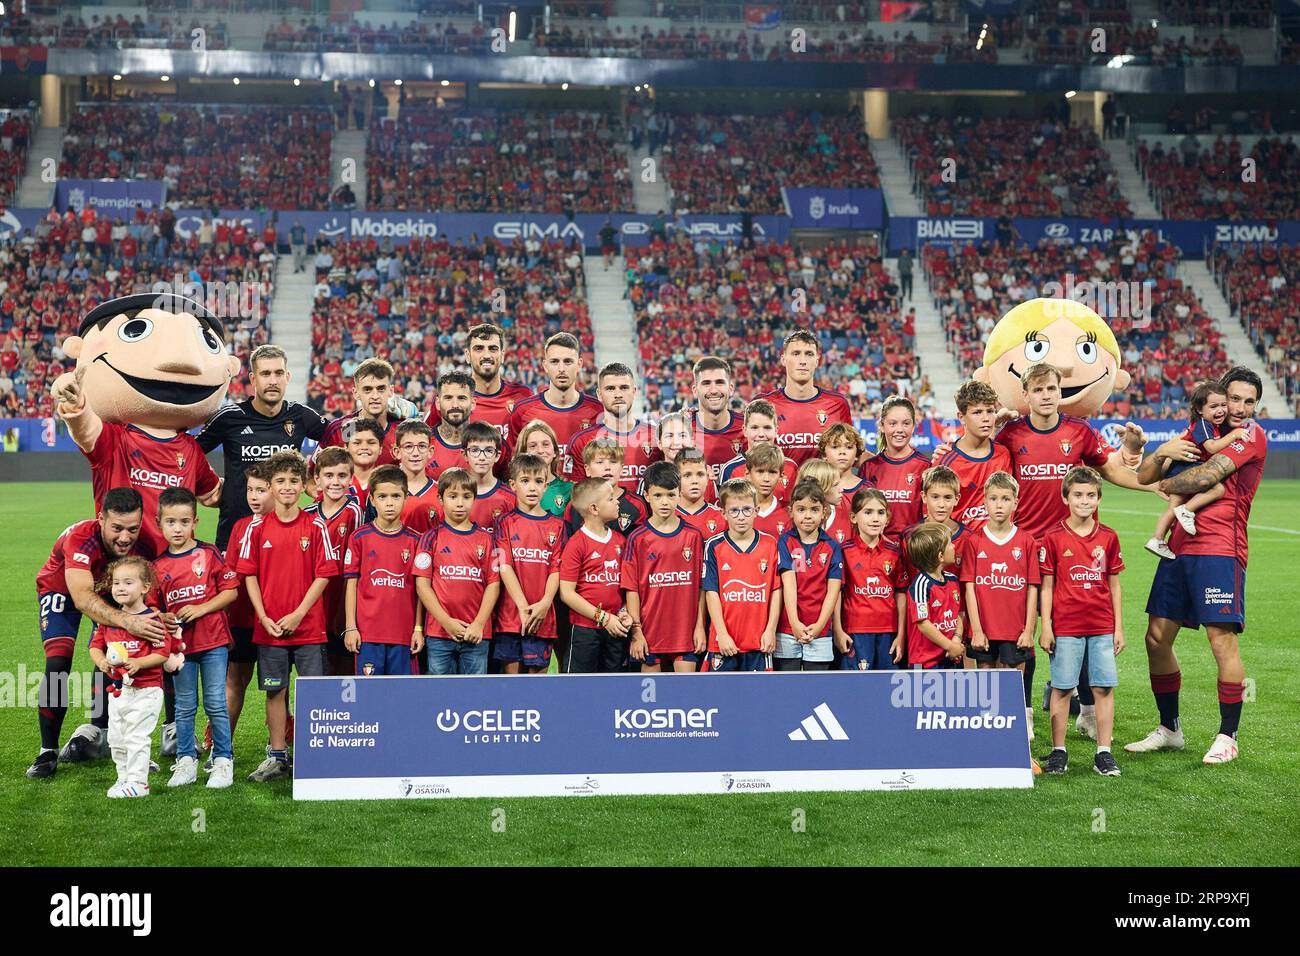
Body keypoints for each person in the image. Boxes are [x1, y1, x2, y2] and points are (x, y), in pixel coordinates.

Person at [1128, 367, 1267, 765]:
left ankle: (1228, 735)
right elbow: (1146, 469)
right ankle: (1170, 729)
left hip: (1221, 547)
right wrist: (1161, 453)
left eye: (1248, 401)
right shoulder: (1203, 428)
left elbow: (1209, 473)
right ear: (1221, 398)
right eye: (1234, 399)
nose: (1240, 408)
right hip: (1179, 546)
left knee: (1220, 639)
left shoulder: (1250, 435)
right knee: (1156, 638)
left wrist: (1162, 479)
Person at [27, 488, 167, 779]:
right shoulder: (82, 537)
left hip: (113, 590)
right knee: (58, 662)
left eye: (133, 528)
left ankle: (105, 733)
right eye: (116, 528)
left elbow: (154, 593)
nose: (125, 537)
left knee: (119, 653)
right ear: (100, 518)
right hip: (63, 590)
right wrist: (127, 621)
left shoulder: (149, 543)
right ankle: (47, 752)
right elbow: (82, 597)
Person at [233, 451, 338, 782]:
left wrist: (299, 613)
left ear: (304, 485)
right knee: (274, 691)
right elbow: (248, 574)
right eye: (280, 481)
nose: (288, 487)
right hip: (270, 629)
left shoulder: (316, 525)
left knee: (313, 693)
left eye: (294, 481)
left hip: (308, 628)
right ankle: (277, 755)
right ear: (270, 486)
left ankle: (315, 754)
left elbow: (324, 575)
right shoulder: (257, 528)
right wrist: (263, 617)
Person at [197, 344, 330, 550]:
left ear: (287, 377)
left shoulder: (301, 416)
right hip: (234, 534)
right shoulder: (229, 417)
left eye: (278, 373)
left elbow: (340, 437)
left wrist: (311, 477)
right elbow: (189, 451)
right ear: (252, 379)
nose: (273, 381)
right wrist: (207, 483)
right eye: (265, 374)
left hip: (284, 536)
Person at [1039, 467, 1125, 776]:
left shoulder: (1109, 537)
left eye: (1090, 495)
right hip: (1066, 626)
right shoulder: (1053, 538)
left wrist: (1119, 627)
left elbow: (1114, 584)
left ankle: (1104, 752)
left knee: (1103, 687)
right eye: (1077, 495)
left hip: (1101, 625)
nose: (1084, 500)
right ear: (1065, 498)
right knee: (1062, 688)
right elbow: (1047, 586)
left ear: (1099, 498)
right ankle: (1059, 751)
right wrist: (1046, 625)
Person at [154, 488, 239, 789]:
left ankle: (222, 761)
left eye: (184, 522)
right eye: (171, 522)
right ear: (159, 523)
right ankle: (186, 761)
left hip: (214, 642)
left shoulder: (209, 553)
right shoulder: (158, 566)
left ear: (195, 522)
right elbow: (153, 607)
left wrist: (201, 608)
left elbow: (231, 591)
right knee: (185, 705)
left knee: (216, 702)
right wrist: (162, 617)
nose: (177, 529)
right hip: (181, 649)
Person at [88, 556, 180, 798]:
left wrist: (139, 662)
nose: (120, 588)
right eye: (116, 583)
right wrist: (101, 662)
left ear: (145, 588)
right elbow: (95, 646)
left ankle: (139, 783)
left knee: (136, 736)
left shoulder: (153, 620)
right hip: (119, 691)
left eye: (128, 583)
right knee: (117, 738)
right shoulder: (110, 620)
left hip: (146, 690)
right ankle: (124, 778)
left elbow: (162, 653)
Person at [959, 472, 1040, 740]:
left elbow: (1031, 588)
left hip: (1015, 627)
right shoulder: (974, 541)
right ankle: (987, 727)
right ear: (984, 502)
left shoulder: (1026, 541)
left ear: (1016, 502)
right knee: (986, 676)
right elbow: (969, 587)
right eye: (993, 499)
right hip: (985, 628)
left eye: (1006, 499)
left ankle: (1021, 720)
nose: (999, 505)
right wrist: (977, 630)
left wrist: (1029, 629)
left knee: (1014, 677)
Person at [415, 468, 501, 676]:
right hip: (439, 633)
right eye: (453, 496)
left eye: (466, 496)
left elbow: (494, 584)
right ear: (441, 498)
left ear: (474, 499)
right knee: (438, 696)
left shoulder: (488, 540)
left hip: (476, 634)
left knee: (474, 696)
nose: (460, 503)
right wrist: (446, 622)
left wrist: (479, 624)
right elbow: (422, 585)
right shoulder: (430, 538)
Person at [623, 461, 707, 673]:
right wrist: (637, 632)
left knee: (686, 698)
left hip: (685, 634)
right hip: (649, 635)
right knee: (653, 701)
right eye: (658, 495)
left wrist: (699, 627)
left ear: (679, 495)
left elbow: (700, 587)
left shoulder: (694, 536)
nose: (665, 502)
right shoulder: (637, 538)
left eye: (670, 495)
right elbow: (632, 589)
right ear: (648, 496)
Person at [1145, 381, 1244, 560]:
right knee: (1217, 489)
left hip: (1180, 467)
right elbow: (1212, 447)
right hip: (1185, 466)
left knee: (1172, 506)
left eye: (1223, 405)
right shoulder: (1203, 424)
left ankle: (1157, 539)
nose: (1220, 410)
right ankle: (1187, 510)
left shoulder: (1210, 424)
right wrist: (1234, 435)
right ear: (1200, 409)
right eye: (1213, 406)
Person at [343, 466, 423, 676]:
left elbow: (420, 591)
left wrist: (418, 629)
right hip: (368, 635)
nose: (389, 502)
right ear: (371, 499)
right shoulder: (359, 538)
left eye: (396, 496)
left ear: (405, 497)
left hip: (403, 636)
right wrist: (351, 627)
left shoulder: (416, 540)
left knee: (402, 698)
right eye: (382, 496)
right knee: (370, 697)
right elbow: (351, 584)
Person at [493, 456, 567, 675]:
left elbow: (556, 568)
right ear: (513, 485)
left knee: (538, 686)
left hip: (542, 617)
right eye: (525, 481)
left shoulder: (558, 525)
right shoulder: (503, 523)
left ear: (546, 486)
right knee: (512, 686)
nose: (532, 487)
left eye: (538, 481)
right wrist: (523, 607)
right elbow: (504, 566)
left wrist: (545, 603)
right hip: (510, 617)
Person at [702, 479, 782, 672]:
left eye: (747, 509)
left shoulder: (770, 544)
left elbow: (775, 591)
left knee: (759, 699)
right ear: (723, 513)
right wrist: (721, 633)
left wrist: (770, 630)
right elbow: (711, 592)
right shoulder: (714, 546)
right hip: (723, 642)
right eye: (734, 511)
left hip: (758, 643)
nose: (741, 517)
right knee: (718, 698)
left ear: (756, 510)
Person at [560, 478, 634, 673]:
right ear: (594, 508)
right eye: (610, 499)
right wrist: (602, 617)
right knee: (581, 689)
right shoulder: (576, 544)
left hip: (616, 629)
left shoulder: (621, 541)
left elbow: (626, 587)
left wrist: (624, 612)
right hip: (585, 631)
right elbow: (566, 593)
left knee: (613, 689)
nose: (617, 501)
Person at [222, 463, 271, 758]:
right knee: (234, 680)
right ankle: (221, 745)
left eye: (261, 490)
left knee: (276, 685)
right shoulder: (240, 526)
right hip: (241, 617)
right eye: (250, 489)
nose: (253, 496)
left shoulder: (286, 525)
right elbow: (230, 572)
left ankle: (278, 743)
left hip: (272, 619)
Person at [306, 446, 364, 677]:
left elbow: (358, 562)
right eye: (329, 476)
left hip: (344, 599)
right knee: (317, 667)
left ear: (351, 479)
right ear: (317, 479)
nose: (335, 482)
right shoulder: (308, 514)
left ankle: (348, 712)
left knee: (344, 666)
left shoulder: (355, 512)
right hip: (316, 601)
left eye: (342, 476)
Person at [775, 481, 844, 672]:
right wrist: (795, 623)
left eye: (814, 509)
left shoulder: (832, 547)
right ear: (791, 511)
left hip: (820, 632)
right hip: (788, 630)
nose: (807, 515)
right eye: (801, 509)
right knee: (787, 689)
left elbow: (833, 591)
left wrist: (820, 625)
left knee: (817, 690)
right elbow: (788, 585)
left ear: (824, 512)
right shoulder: (785, 542)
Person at [757, 329, 852, 466]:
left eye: (809, 354)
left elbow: (851, 451)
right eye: (796, 354)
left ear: (817, 361)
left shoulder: (837, 404)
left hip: (823, 487)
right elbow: (750, 454)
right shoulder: (764, 404)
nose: (803, 361)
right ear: (783, 359)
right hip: (776, 487)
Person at [835, 488, 905, 671]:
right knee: (856, 689)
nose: (875, 518)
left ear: (887, 517)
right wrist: (838, 630)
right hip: (855, 631)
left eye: (881, 513)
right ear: (853, 518)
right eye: (868, 512)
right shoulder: (843, 551)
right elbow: (837, 594)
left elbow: (901, 593)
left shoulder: (895, 551)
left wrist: (901, 634)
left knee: (887, 689)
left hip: (888, 633)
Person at [506, 332, 603, 464]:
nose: (561, 369)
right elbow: (513, 464)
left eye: (568, 362)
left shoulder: (597, 410)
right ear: (545, 366)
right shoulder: (523, 411)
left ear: (579, 364)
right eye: (555, 362)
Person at [565, 361, 661, 490]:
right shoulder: (581, 441)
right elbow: (575, 496)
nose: (618, 395)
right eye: (610, 388)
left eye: (624, 388)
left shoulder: (656, 436)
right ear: (599, 394)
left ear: (634, 392)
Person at [935, 381, 1014, 531]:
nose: (985, 418)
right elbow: (934, 519)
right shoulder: (944, 460)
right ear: (961, 417)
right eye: (977, 412)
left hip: (998, 547)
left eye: (990, 411)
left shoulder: (1004, 454)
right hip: (961, 549)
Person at [860, 395, 930, 538]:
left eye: (906, 423)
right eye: (893, 424)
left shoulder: (925, 466)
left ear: (914, 426)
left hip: (914, 551)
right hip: (877, 550)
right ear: (882, 426)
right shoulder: (869, 467)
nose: (899, 429)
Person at [317, 358, 407, 467]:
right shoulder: (337, 431)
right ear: (355, 393)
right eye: (367, 390)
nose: (375, 396)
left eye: (381, 389)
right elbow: (312, 477)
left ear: (391, 391)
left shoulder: (403, 431)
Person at [903, 523, 964, 670]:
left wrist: (957, 638)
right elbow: (923, 624)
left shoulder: (952, 580)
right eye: (950, 544)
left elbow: (958, 615)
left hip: (951, 656)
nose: (954, 546)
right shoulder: (921, 585)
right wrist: (950, 646)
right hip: (926, 663)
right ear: (940, 556)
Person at [718, 399, 799, 504]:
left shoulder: (791, 467)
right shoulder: (729, 469)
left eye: (767, 428)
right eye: (755, 428)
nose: (761, 434)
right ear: (745, 430)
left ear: (776, 431)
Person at [566, 438, 648, 536]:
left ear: (622, 468)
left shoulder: (637, 505)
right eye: (600, 462)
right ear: (587, 469)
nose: (607, 467)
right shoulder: (576, 504)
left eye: (613, 462)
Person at [689, 356, 744, 481]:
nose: (713, 390)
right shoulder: (680, 431)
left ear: (730, 389)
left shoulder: (748, 428)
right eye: (706, 383)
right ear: (695, 390)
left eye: (719, 382)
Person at [463, 421, 516, 532]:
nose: (482, 457)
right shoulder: (453, 494)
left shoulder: (510, 498)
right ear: (464, 455)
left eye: (488, 450)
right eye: (474, 450)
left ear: (497, 455)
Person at [513, 419, 571, 517]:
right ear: (522, 452)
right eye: (532, 446)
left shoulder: (569, 489)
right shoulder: (512, 490)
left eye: (545, 444)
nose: (540, 450)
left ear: (555, 452)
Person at [393, 420, 442, 534]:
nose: (415, 453)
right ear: (397, 451)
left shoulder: (442, 493)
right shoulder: (383, 490)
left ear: (430, 451)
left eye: (422, 446)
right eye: (408, 446)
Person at [426, 370, 474, 479]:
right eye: (448, 398)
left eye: (461, 398)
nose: (455, 405)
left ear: (473, 403)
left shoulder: (490, 443)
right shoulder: (423, 444)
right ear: (438, 403)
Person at [796, 457, 853, 546]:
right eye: (835, 485)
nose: (841, 489)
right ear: (820, 488)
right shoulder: (792, 519)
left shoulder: (848, 509)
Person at [745, 442, 793, 539]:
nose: (766, 478)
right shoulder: (736, 511)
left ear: (781, 476)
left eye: (772, 472)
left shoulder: (790, 512)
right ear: (748, 474)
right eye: (760, 471)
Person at [675, 447, 725, 538]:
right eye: (687, 475)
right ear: (676, 479)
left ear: (707, 478)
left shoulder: (722, 517)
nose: (695, 481)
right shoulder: (667, 516)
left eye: (700, 474)